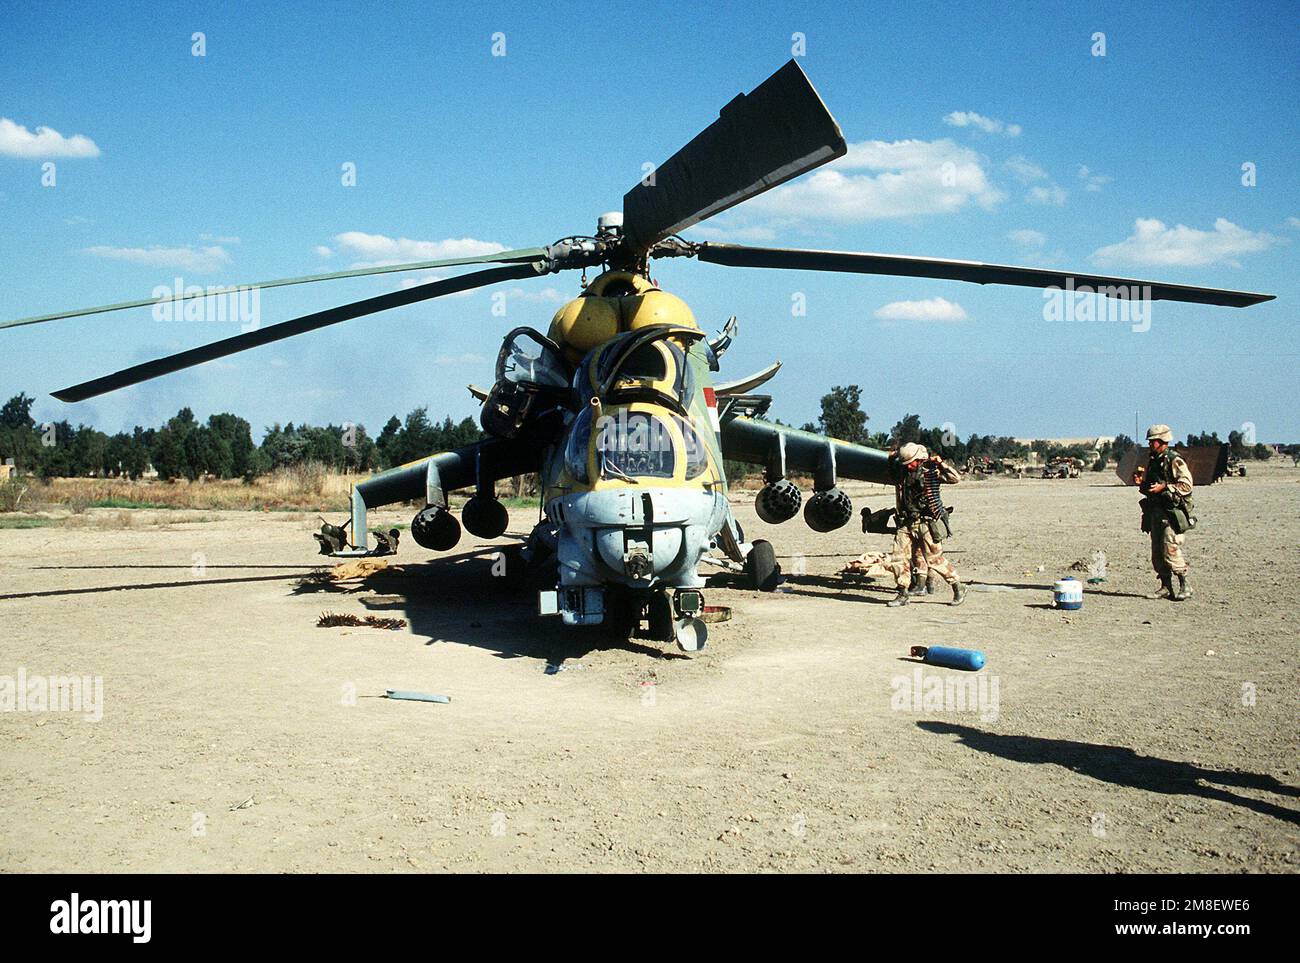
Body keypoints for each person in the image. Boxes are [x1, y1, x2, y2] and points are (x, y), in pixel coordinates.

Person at [884, 443, 965, 607]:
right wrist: (892, 459)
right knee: (898, 558)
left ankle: (958, 586)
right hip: (906, 522)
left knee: (934, 559)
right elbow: (892, 475)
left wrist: (941, 464)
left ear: (919, 459)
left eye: (911, 463)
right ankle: (902, 593)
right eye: (905, 464)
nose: (908, 466)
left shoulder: (930, 472)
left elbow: (955, 478)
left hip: (927, 522)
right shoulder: (902, 472)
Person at [1135, 424, 1194, 601]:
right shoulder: (1154, 460)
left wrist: (1166, 487)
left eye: (1154, 441)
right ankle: (1166, 587)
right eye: (1151, 441)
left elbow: (1186, 486)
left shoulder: (1174, 460)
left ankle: (1185, 585)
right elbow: (1152, 489)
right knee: (1157, 553)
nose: (1151, 444)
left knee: (1171, 550)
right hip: (1156, 512)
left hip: (1171, 513)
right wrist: (1141, 484)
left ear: (1163, 441)